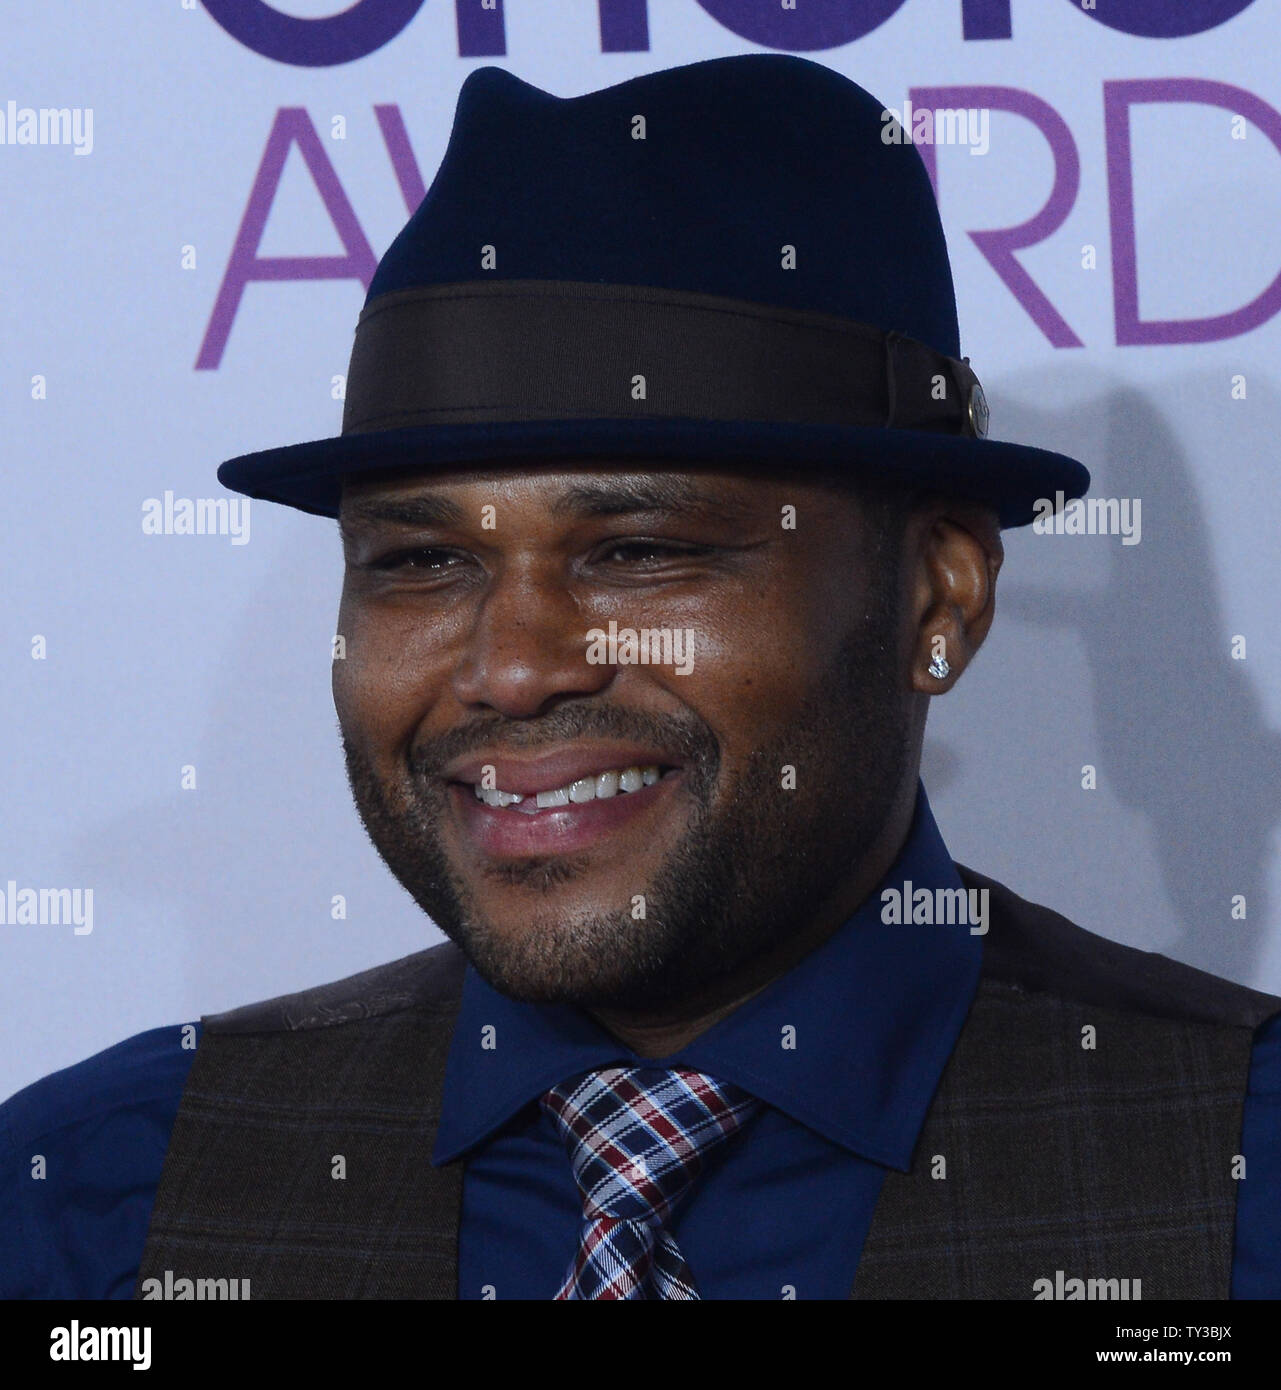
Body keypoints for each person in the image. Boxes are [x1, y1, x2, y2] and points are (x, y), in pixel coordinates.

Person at [4, 54, 1279, 1302]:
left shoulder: (1248, 1185)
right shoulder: (102, 1205)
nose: (510, 668)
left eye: (641, 551)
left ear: (939, 596)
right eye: (422, 561)